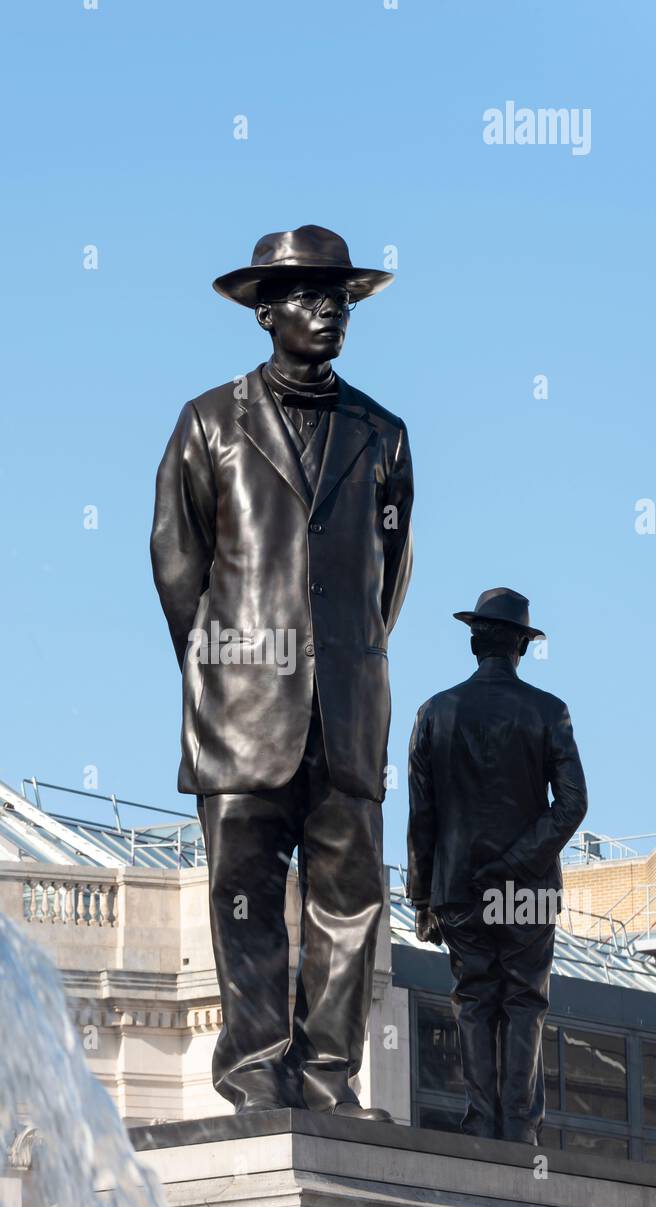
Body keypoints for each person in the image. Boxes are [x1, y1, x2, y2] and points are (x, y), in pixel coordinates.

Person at [151, 226, 413, 1117]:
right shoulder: (208, 421)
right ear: (265, 313)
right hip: (240, 709)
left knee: (348, 905)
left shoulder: (382, 432)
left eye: (338, 298)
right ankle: (255, 1067)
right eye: (307, 297)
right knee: (244, 897)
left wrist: (346, 662)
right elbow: (176, 561)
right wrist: (223, 668)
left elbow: (388, 573)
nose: (327, 311)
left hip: (345, 709)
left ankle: (328, 1077)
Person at [406, 588, 588, 1143]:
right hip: (526, 889)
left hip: (459, 887)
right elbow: (572, 804)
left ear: (474, 642)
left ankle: (483, 1122)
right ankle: (521, 1130)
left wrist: (421, 896)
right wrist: (520, 861)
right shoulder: (548, 711)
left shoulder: (435, 712)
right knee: (525, 1000)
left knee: (476, 998)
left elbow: (423, 816)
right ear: (521, 647)